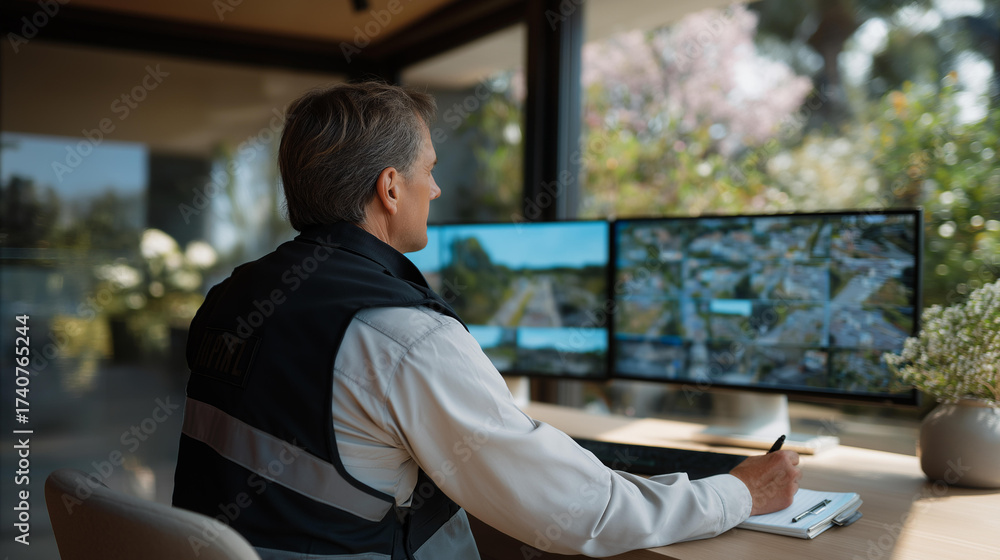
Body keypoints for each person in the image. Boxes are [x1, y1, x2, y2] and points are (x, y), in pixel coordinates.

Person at [172, 81, 801, 560]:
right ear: (390, 188)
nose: (437, 189)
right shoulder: (401, 338)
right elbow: (583, 509)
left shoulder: (229, 297)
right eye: (430, 170)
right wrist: (739, 492)